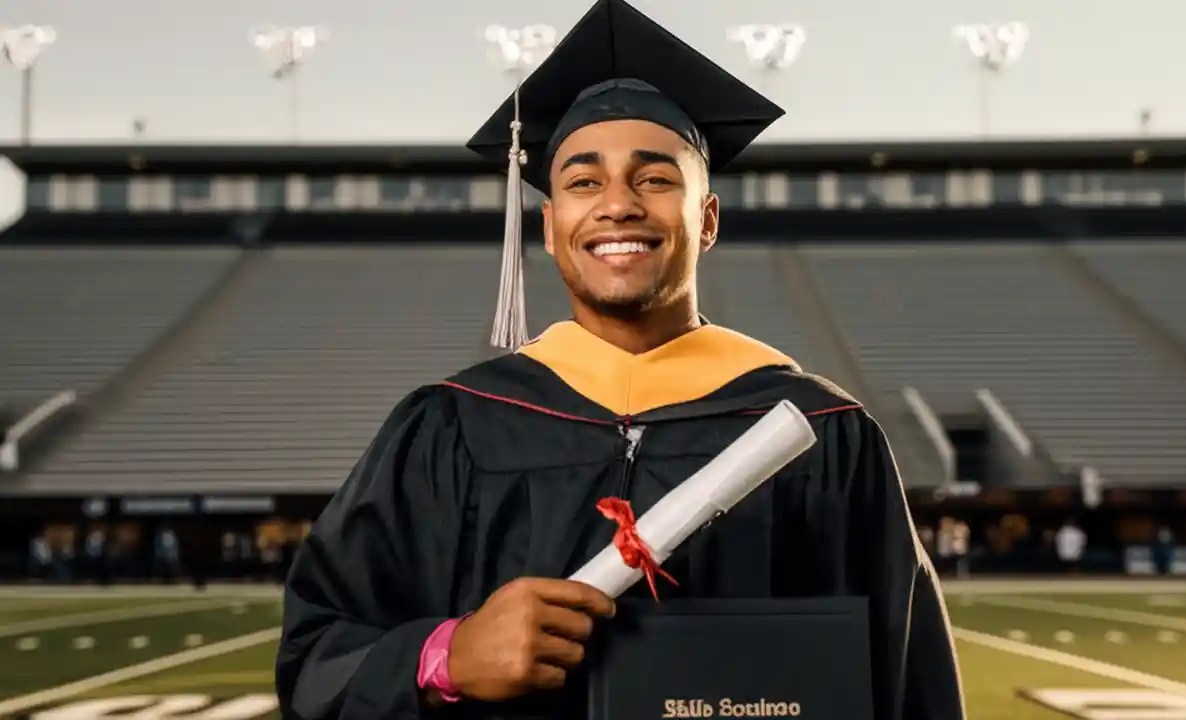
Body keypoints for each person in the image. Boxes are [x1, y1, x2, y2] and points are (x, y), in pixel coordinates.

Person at [275, 1, 963, 718]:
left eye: (656, 178)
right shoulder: (453, 428)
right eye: (581, 181)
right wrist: (445, 658)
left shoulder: (824, 436)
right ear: (548, 225)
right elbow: (317, 656)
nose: (617, 205)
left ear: (708, 218)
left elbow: (907, 686)